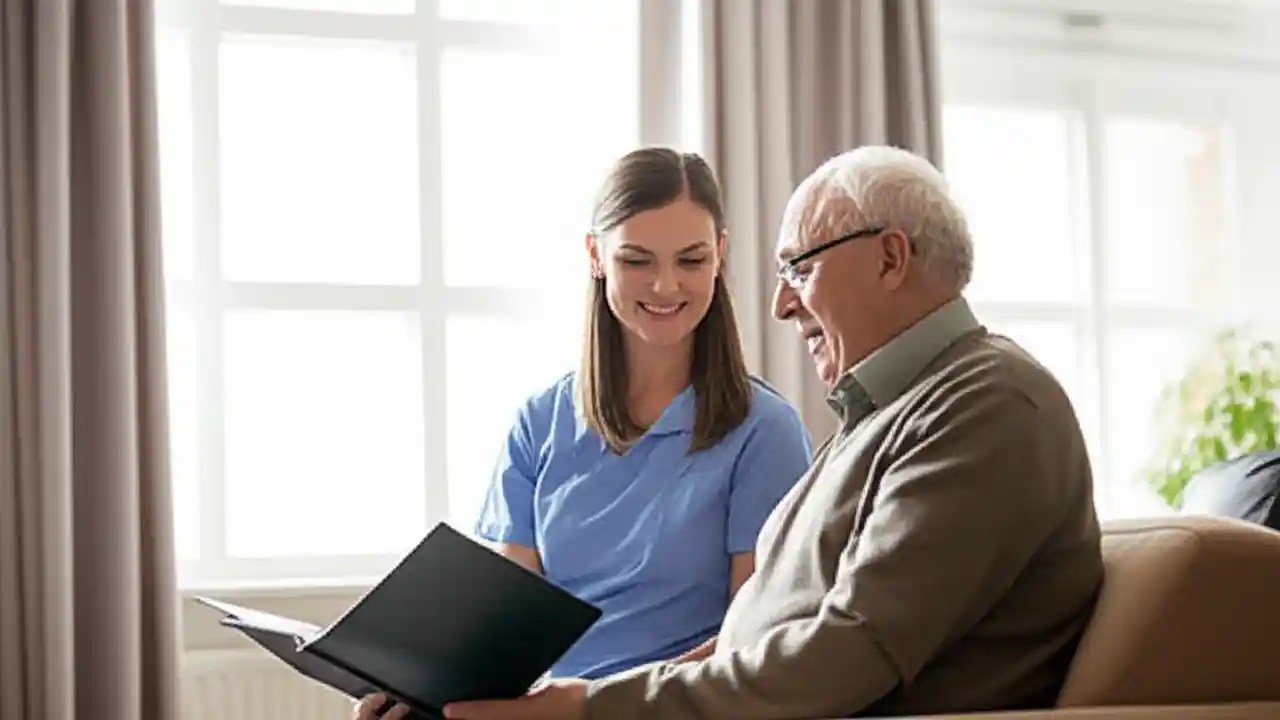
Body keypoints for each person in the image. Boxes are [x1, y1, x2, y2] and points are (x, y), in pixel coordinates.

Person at [370, 145, 1106, 720]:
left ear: (889, 258)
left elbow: (851, 650)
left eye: (800, 268)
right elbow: (760, 642)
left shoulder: (986, 404)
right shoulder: (885, 416)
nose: (781, 303)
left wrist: (592, 707)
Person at [357, 147, 812, 719]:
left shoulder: (763, 432)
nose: (666, 285)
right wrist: (420, 688)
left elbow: (754, 646)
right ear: (596, 255)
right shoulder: (541, 423)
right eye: (637, 260)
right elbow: (503, 636)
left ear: (720, 253)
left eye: (691, 260)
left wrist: (594, 704)